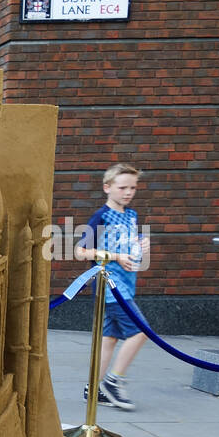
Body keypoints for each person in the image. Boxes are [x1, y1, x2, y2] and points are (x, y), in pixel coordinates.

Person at [76, 163, 150, 410]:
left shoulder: (131, 215)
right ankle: (113, 381)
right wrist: (115, 257)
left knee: (109, 339)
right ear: (107, 188)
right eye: (122, 187)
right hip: (111, 288)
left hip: (127, 285)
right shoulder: (101, 217)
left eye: (133, 188)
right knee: (141, 331)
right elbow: (81, 251)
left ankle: (93, 387)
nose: (128, 192)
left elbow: (128, 248)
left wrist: (140, 246)